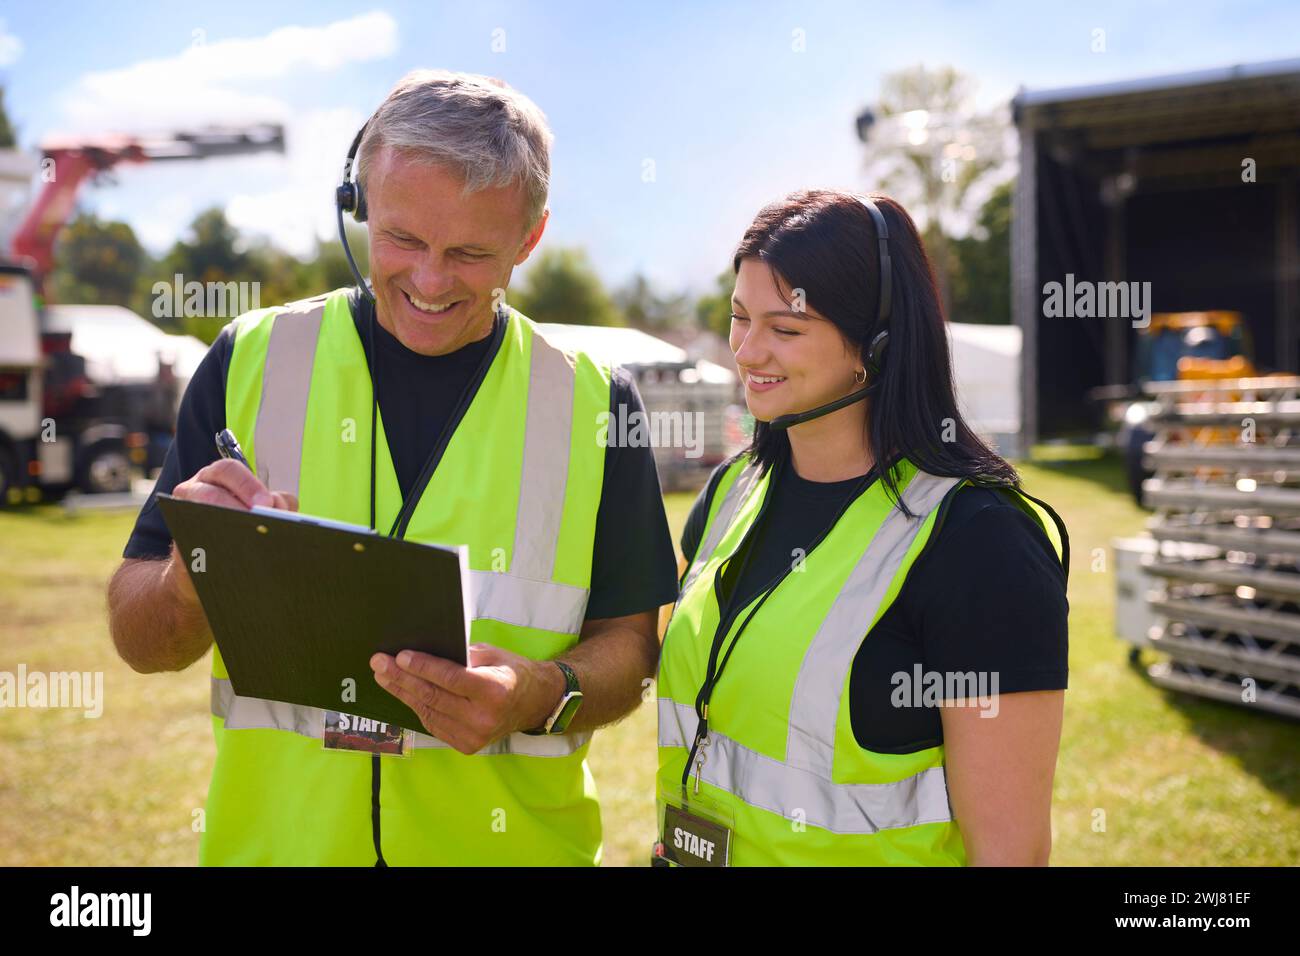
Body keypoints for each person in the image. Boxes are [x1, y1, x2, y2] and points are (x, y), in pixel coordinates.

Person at [107, 69, 679, 866]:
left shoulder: (594, 401)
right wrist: (192, 572)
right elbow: (145, 643)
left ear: (530, 238)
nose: (431, 281)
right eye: (403, 239)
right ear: (361, 204)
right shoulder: (250, 359)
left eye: (472, 252)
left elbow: (631, 645)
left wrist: (538, 697)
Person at [655, 190, 1069, 867]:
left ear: (874, 343)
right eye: (738, 318)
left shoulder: (979, 543)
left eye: (785, 329)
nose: (747, 352)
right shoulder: (731, 491)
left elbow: (1010, 852)